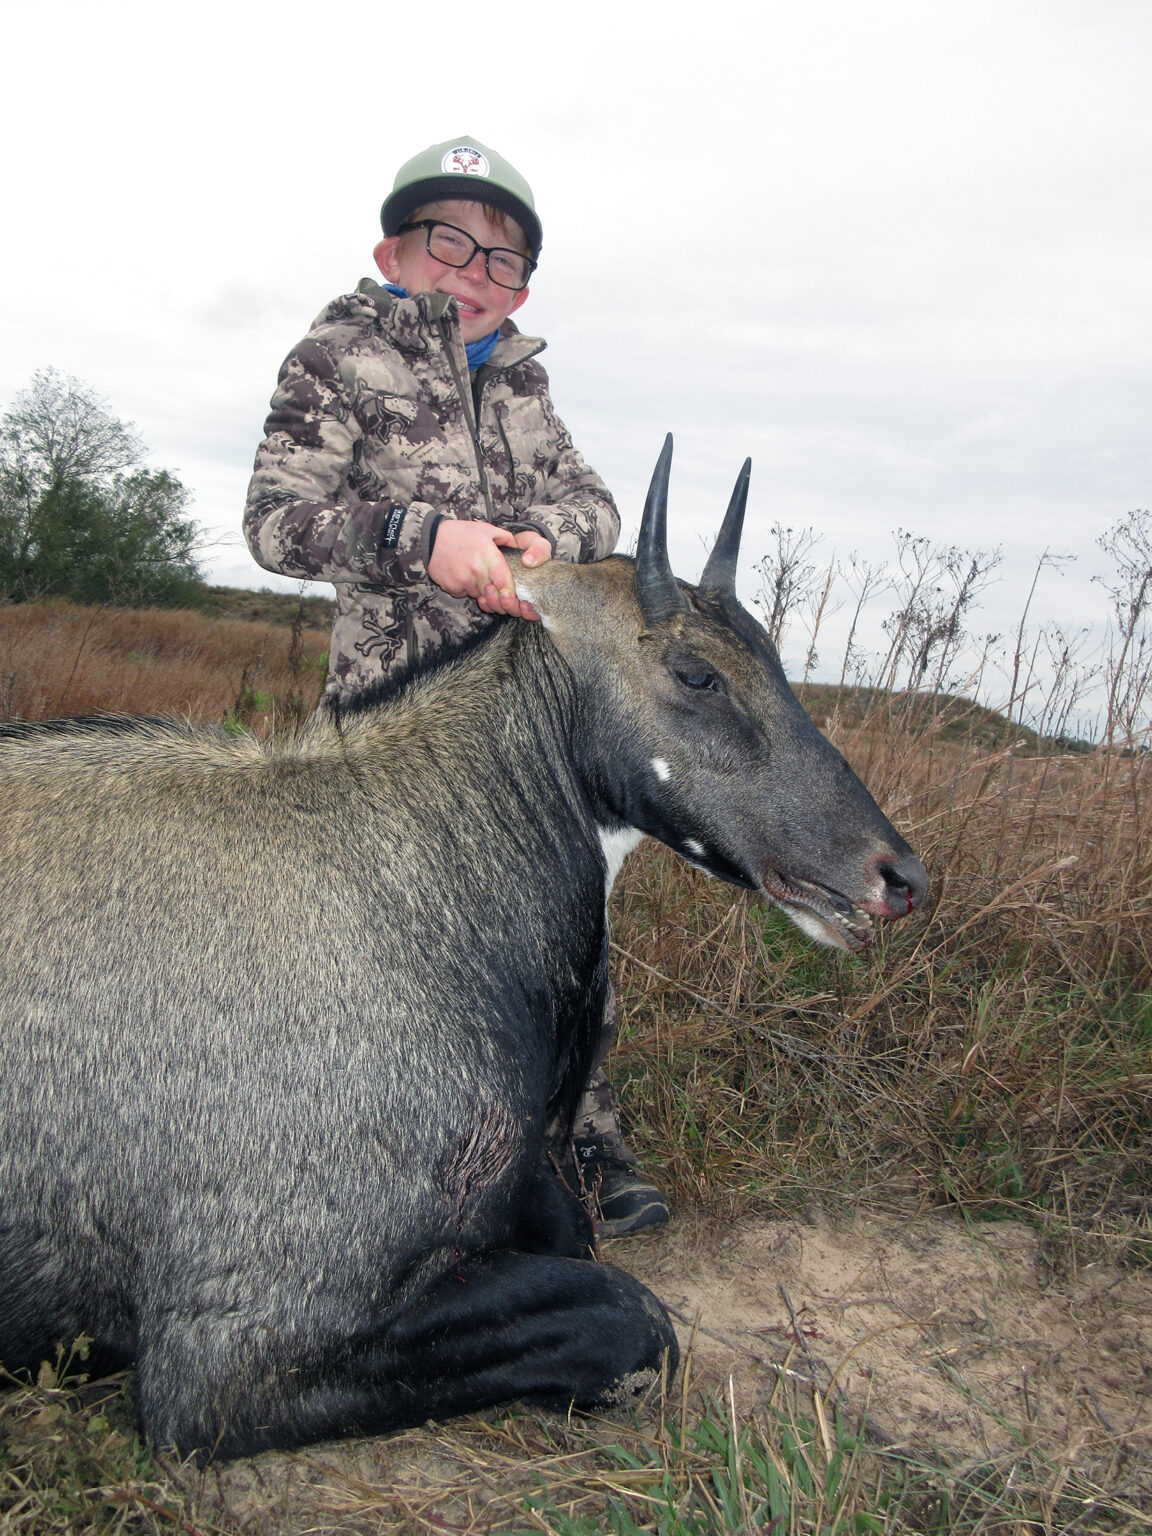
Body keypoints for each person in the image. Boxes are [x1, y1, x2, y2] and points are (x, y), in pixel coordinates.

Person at [243, 136, 669, 1238]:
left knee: (557, 928)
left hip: (524, 722)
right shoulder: (333, 354)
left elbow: (596, 507)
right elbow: (276, 523)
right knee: (378, 945)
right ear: (394, 248)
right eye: (452, 244)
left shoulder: (525, 380)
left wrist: (545, 537)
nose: (477, 276)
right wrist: (417, 538)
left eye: (504, 261)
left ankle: (584, 1145)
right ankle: (376, 1154)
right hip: (386, 718)